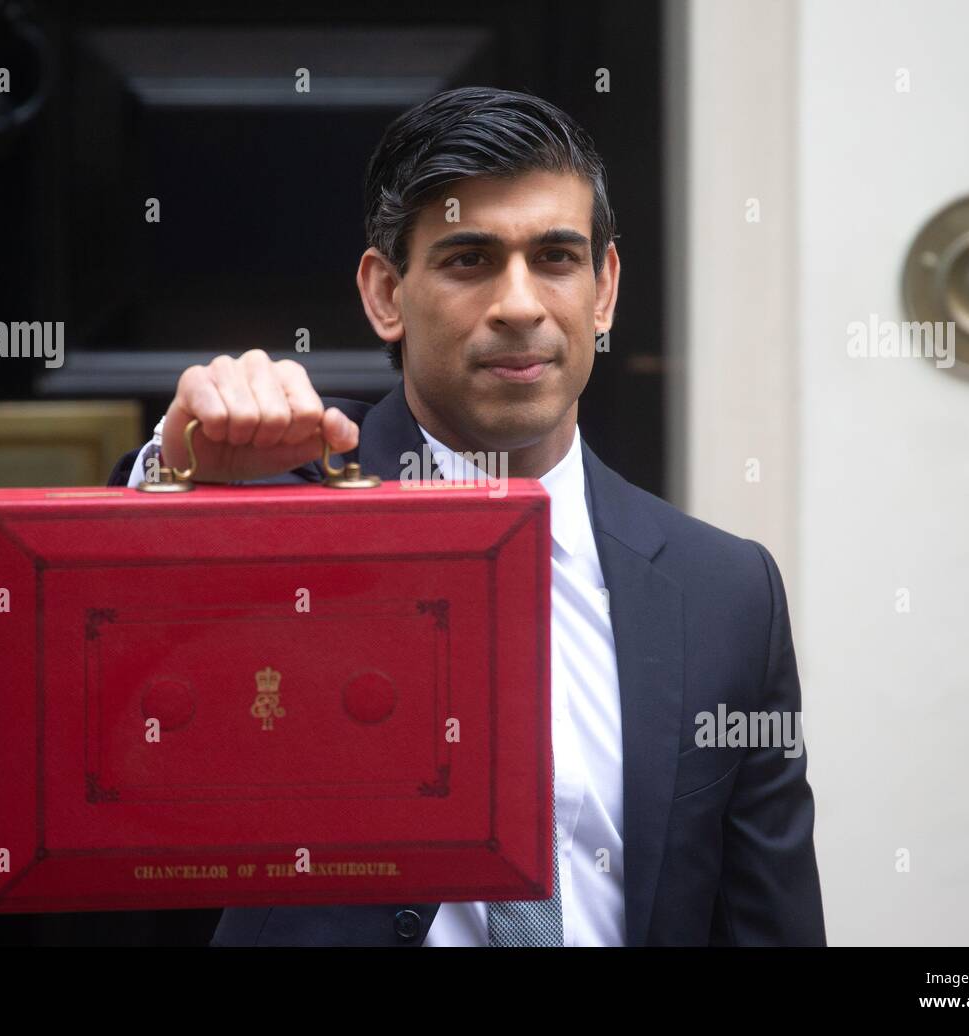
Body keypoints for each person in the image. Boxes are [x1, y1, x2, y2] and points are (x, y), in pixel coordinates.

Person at [106, 86, 825, 947]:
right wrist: (169, 473)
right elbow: (93, 689)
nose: (519, 304)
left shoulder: (727, 593)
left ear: (604, 291)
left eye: (556, 258)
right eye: (469, 259)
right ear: (385, 294)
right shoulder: (274, 509)